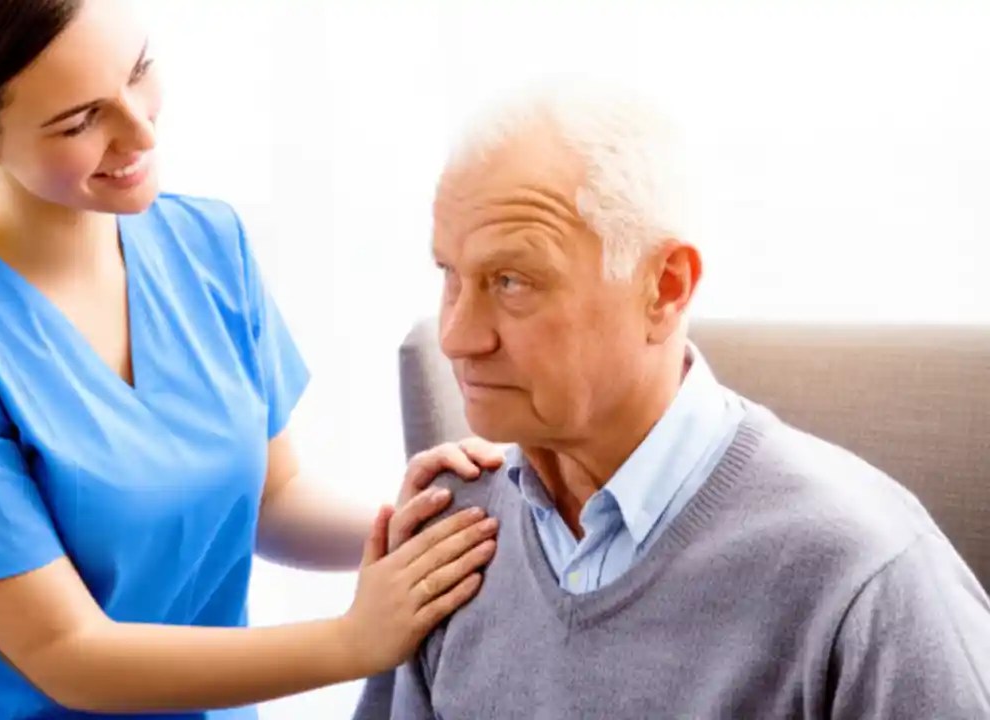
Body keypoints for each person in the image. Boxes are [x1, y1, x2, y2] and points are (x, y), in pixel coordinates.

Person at [0, 1, 506, 718]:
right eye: (81, 120)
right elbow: (68, 653)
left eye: (139, 71)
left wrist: (435, 532)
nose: (141, 130)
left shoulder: (210, 243)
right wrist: (353, 641)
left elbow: (271, 502)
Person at [355, 80, 990, 719]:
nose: (456, 335)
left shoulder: (865, 577)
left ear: (665, 288)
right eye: (450, 276)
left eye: (512, 282)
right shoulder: (449, 539)